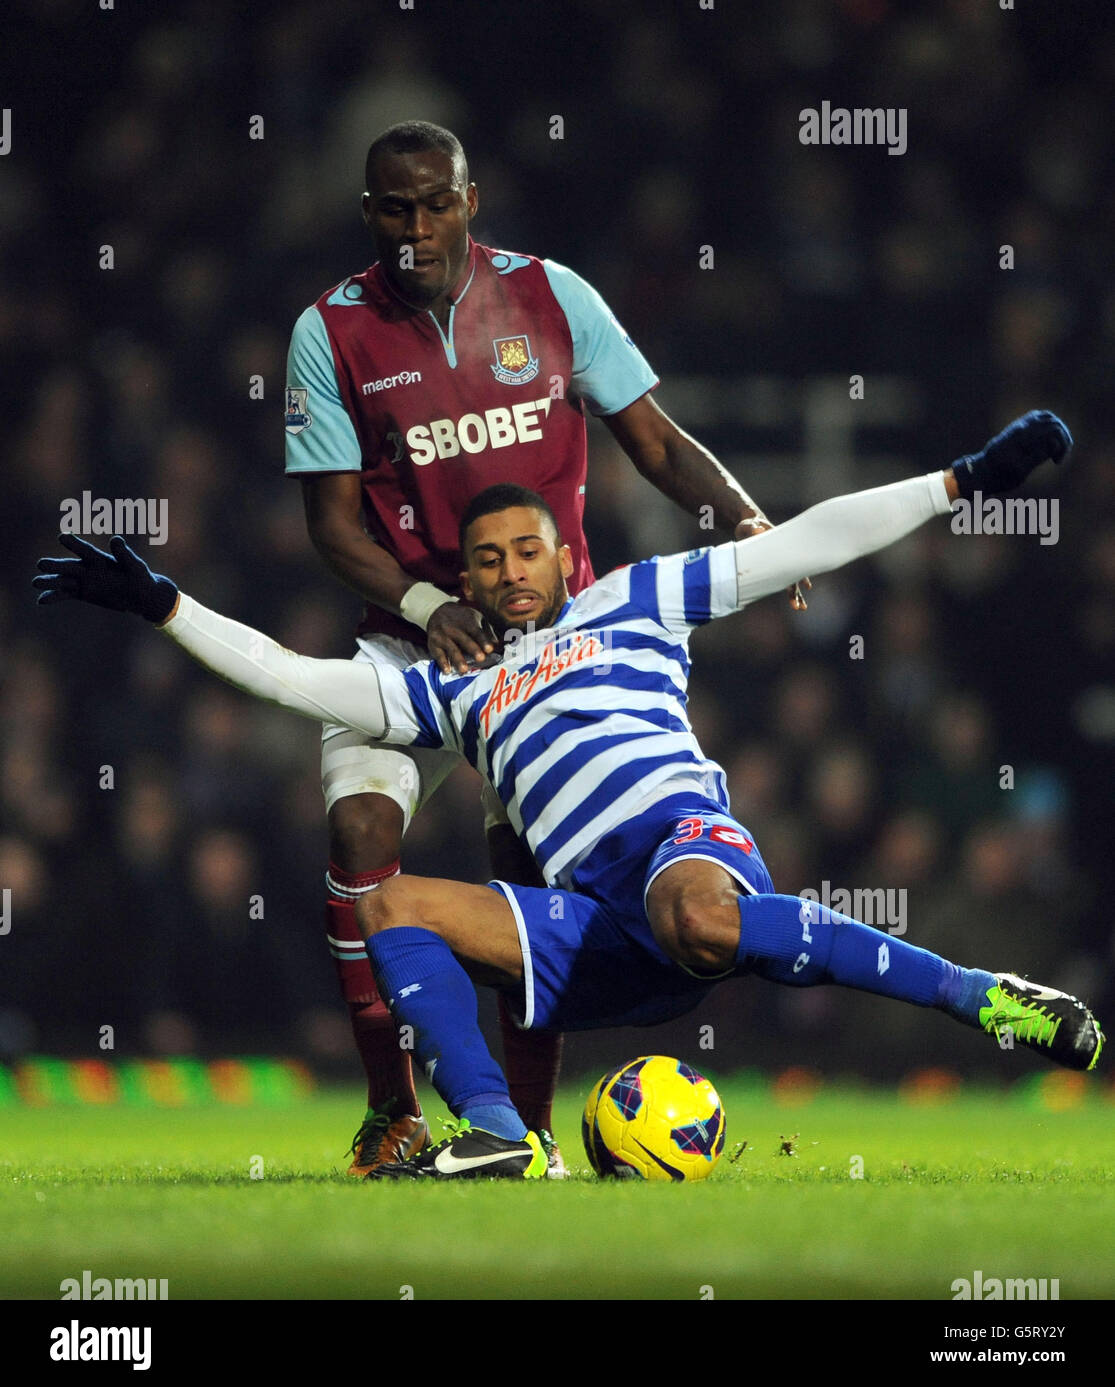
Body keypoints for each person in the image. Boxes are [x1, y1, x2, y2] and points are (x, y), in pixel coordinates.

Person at [36, 410, 1101, 1182]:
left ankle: (986, 996)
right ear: (465, 578)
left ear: (559, 554)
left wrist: (958, 480)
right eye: (486, 559)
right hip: (591, 920)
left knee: (692, 911)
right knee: (386, 903)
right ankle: (502, 1132)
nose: (508, 571)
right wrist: (163, 603)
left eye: (526, 551)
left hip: (680, 851)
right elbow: (289, 675)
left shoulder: (634, 598)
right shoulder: (450, 687)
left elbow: (801, 542)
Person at [285, 119, 807, 1174]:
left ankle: (516, 1128)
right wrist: (430, 600)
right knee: (355, 832)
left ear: (471, 199)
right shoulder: (329, 331)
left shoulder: (553, 297)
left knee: (523, 881)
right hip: (406, 644)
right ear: (368, 213)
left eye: (436, 203)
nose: (416, 228)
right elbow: (334, 527)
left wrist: (751, 521)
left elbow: (654, 439)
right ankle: (391, 1107)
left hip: (546, 653)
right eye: (394, 207)